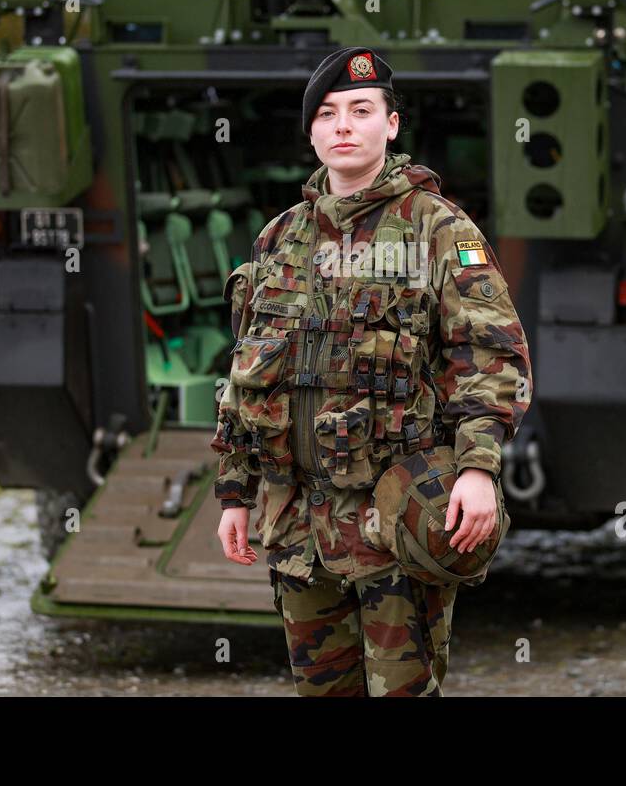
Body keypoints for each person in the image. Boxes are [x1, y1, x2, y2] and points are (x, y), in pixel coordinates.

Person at [212, 46, 531, 696]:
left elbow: (491, 352)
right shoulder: (281, 239)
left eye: (362, 110)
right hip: (298, 523)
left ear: (391, 124)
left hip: (394, 520)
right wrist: (233, 491)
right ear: (311, 131)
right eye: (327, 114)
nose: (343, 126)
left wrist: (477, 468)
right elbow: (250, 373)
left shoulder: (437, 229)